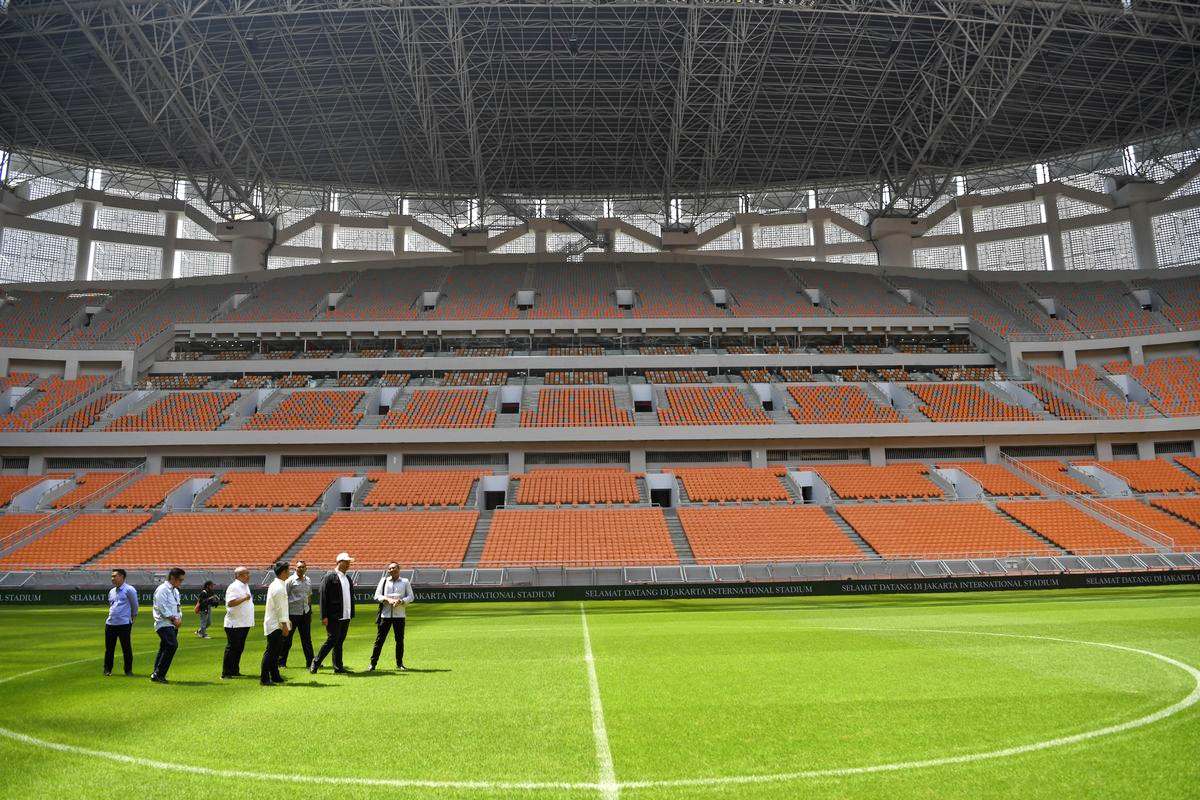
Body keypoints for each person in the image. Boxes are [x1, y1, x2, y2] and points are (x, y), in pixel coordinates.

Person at [310, 552, 355, 674]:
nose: (348, 564)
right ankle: (316, 662)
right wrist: (324, 616)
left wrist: (351, 613)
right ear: (339, 562)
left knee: (339, 642)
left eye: (349, 562)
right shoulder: (329, 577)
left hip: (345, 615)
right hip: (333, 615)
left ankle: (338, 667)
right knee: (332, 640)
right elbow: (323, 598)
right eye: (346, 562)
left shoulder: (348, 578)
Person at [370, 562, 414, 672]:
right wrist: (387, 599)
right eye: (389, 568)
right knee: (379, 640)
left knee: (399, 640)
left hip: (399, 615)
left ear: (399, 569)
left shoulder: (405, 582)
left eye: (394, 568)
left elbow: (411, 596)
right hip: (385, 615)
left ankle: (400, 663)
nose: (391, 570)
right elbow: (377, 596)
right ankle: (372, 664)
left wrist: (401, 601)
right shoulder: (383, 581)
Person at [150, 568, 185, 684]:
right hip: (164, 623)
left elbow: (177, 606)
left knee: (164, 647)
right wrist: (174, 619)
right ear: (173, 578)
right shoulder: (162, 590)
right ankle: (159, 674)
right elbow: (161, 607)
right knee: (172, 645)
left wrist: (179, 618)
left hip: (172, 624)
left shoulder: (175, 591)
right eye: (180, 580)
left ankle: (156, 673)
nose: (181, 582)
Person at [260, 561, 292, 686]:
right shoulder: (279, 587)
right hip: (275, 625)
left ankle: (275, 675)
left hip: (275, 623)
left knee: (275, 652)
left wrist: (286, 621)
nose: (289, 572)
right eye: (288, 570)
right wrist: (284, 624)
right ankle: (264, 678)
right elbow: (280, 608)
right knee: (271, 652)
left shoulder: (278, 585)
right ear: (283, 572)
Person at [280, 559, 313, 669]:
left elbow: (309, 595)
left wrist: (310, 610)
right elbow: (284, 597)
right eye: (299, 567)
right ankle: (281, 662)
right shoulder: (290, 580)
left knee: (307, 639)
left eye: (303, 567)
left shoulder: (308, 580)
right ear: (295, 568)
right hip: (292, 614)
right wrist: (285, 615)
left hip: (305, 613)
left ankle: (311, 662)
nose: (301, 569)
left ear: (306, 568)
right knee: (287, 640)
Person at [104, 568, 138, 677]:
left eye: (115, 576)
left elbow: (134, 605)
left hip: (124, 624)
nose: (112, 578)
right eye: (112, 576)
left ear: (122, 577)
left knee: (126, 648)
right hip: (110, 624)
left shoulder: (129, 590)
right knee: (109, 649)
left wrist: (133, 616)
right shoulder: (111, 591)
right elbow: (111, 605)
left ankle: (128, 670)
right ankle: (107, 670)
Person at [221, 567, 254, 679]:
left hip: (244, 622)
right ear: (238, 575)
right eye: (245, 574)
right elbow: (230, 603)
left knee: (239, 648)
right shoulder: (234, 587)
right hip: (234, 623)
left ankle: (234, 670)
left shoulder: (245, 585)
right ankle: (226, 672)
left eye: (248, 573)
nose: (248, 575)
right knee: (232, 648)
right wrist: (244, 598)